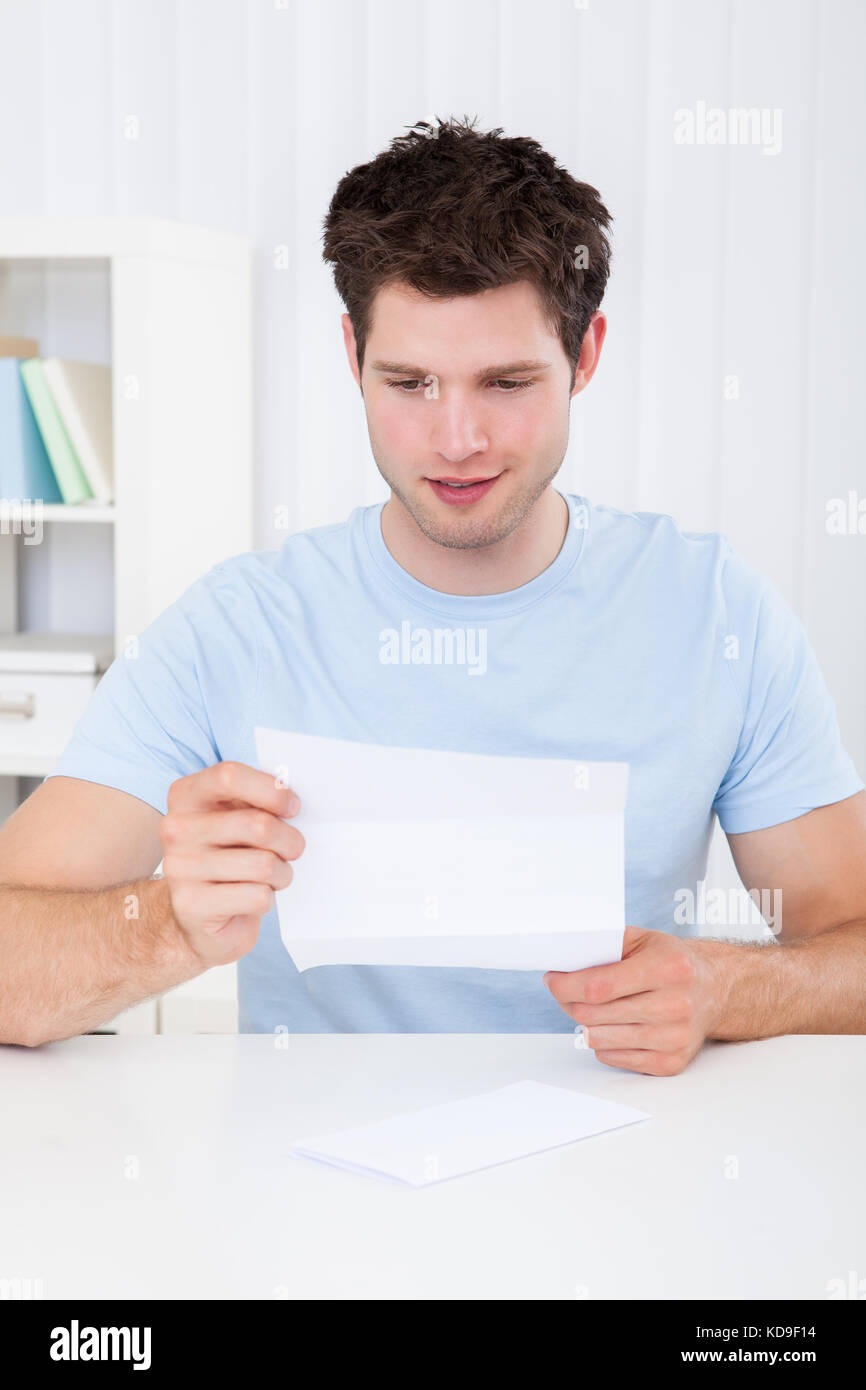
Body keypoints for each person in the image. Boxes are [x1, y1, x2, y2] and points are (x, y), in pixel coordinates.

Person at [1, 117, 864, 1075]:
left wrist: (727, 989)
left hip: (627, 1180)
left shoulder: (717, 614)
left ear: (586, 358)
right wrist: (165, 923)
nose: (457, 440)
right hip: (300, 1187)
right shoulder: (233, 630)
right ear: (350, 356)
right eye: (409, 382)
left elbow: (853, 947)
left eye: (506, 382)